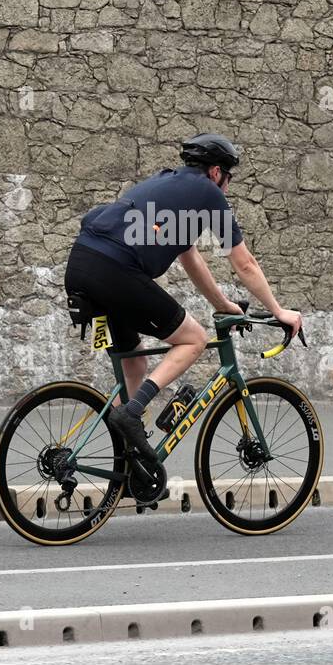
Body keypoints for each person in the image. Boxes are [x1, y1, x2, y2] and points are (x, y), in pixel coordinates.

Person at [64, 132, 303, 469]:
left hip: (82, 264)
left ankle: (129, 461)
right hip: (115, 270)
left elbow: (190, 258)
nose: (227, 187)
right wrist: (279, 311)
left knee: (134, 365)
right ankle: (131, 415)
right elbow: (244, 263)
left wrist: (223, 305)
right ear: (217, 172)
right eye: (228, 179)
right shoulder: (207, 192)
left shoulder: (166, 185)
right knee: (194, 339)